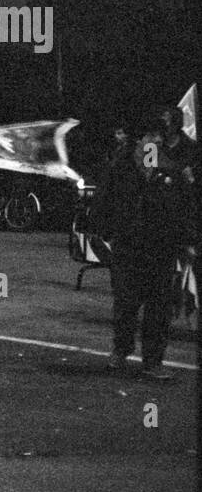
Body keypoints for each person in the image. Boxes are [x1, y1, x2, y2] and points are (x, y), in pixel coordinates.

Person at [91, 112, 197, 381]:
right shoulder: (126, 163)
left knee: (157, 306)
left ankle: (151, 360)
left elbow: (185, 205)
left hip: (160, 242)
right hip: (130, 241)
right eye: (150, 137)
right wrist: (103, 230)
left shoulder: (172, 166)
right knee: (127, 302)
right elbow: (107, 196)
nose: (154, 142)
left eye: (158, 137)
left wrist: (187, 240)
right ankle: (122, 350)